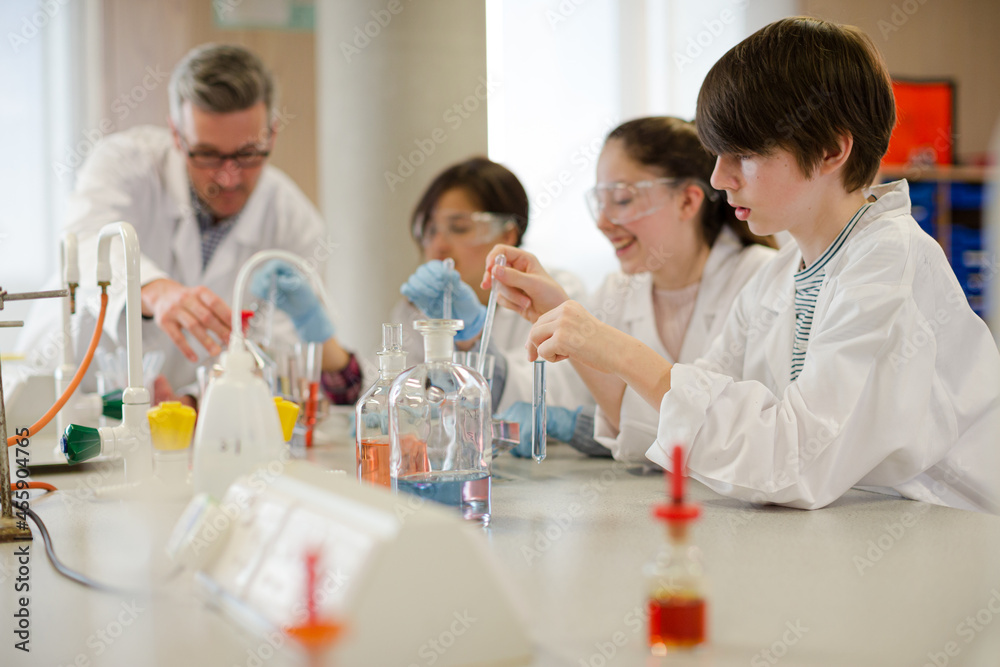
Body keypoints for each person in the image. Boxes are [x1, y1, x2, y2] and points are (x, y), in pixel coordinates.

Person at [520, 17, 1000, 512]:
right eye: (717, 153)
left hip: (953, 536)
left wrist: (620, 351)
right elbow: (681, 420)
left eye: (743, 154)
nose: (719, 177)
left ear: (833, 148)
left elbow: (793, 462)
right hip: (861, 528)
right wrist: (568, 319)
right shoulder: (780, 273)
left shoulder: (889, 265)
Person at [18, 43, 357, 405]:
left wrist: (196, 402)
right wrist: (155, 289)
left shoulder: (294, 222)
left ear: (271, 135)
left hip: (187, 424)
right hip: (63, 397)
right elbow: (85, 240)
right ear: (177, 136)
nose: (228, 177)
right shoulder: (124, 163)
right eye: (208, 154)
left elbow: (276, 350)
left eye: (247, 154)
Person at [484, 117, 776, 464]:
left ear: (687, 201)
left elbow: (720, 429)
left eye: (621, 199)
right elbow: (564, 394)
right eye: (600, 202)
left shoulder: (762, 278)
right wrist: (555, 311)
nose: (602, 222)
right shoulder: (617, 291)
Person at [395, 157, 593, 447]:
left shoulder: (556, 293)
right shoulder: (417, 307)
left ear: (507, 233)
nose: (438, 246)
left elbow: (562, 394)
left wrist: (472, 334)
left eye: (459, 228)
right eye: (430, 229)